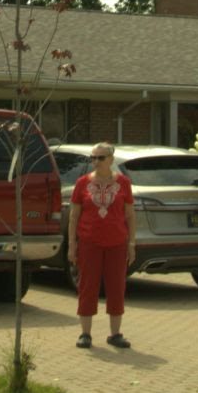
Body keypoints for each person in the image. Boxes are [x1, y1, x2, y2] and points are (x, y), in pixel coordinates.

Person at [68, 141, 137, 349]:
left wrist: (132, 243)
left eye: (101, 158)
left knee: (116, 286)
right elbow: (74, 215)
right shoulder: (82, 183)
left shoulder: (123, 183)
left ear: (111, 160)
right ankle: (85, 334)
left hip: (117, 243)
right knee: (88, 285)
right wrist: (72, 244)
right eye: (93, 158)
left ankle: (115, 334)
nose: (96, 162)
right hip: (89, 242)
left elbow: (130, 215)